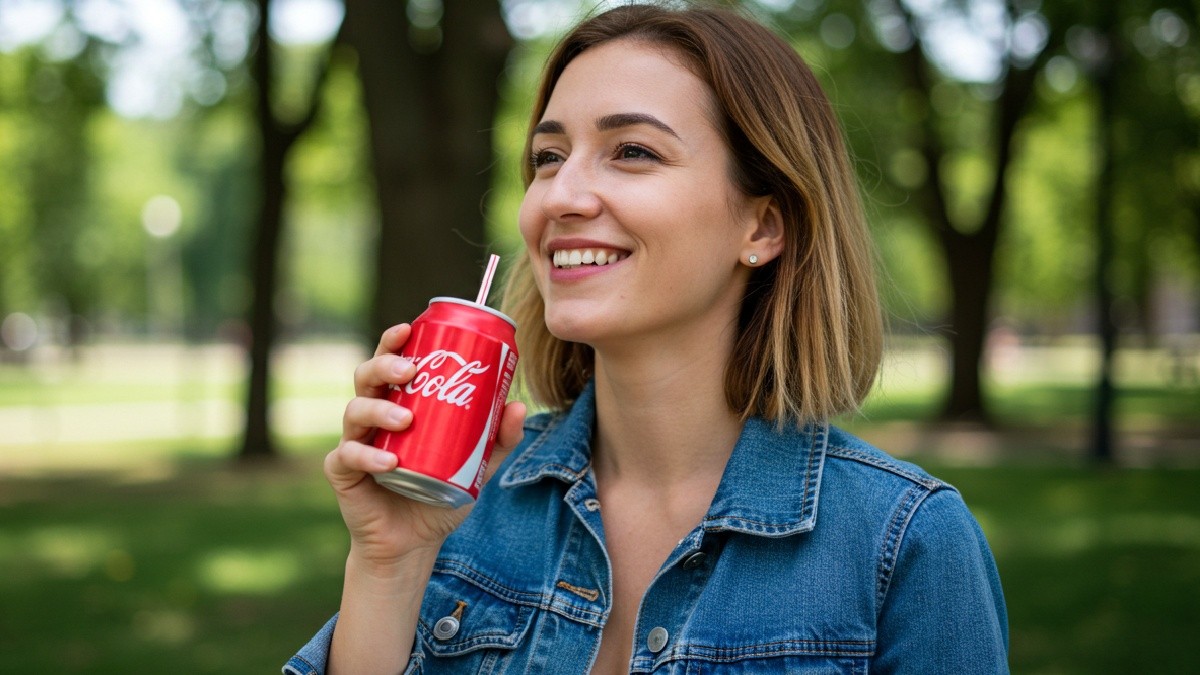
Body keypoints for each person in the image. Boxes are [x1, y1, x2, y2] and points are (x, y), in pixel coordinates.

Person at [285, 2, 1009, 673]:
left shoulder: (906, 544)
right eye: (548, 156)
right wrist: (389, 563)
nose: (562, 196)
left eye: (631, 151)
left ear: (762, 226)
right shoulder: (459, 506)